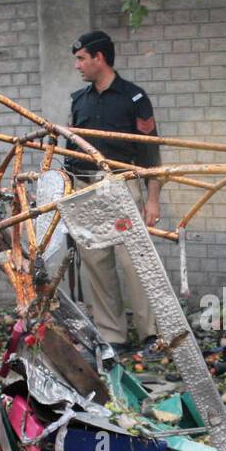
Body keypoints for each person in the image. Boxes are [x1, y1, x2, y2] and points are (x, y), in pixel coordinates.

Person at [64, 30, 162, 355]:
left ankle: (150, 334)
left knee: (135, 263)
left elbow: (151, 154)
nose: (77, 65)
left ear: (99, 58)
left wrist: (152, 198)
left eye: (81, 59)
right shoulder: (79, 101)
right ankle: (114, 336)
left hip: (121, 186)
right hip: (85, 190)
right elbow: (70, 152)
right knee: (97, 264)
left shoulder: (134, 98)